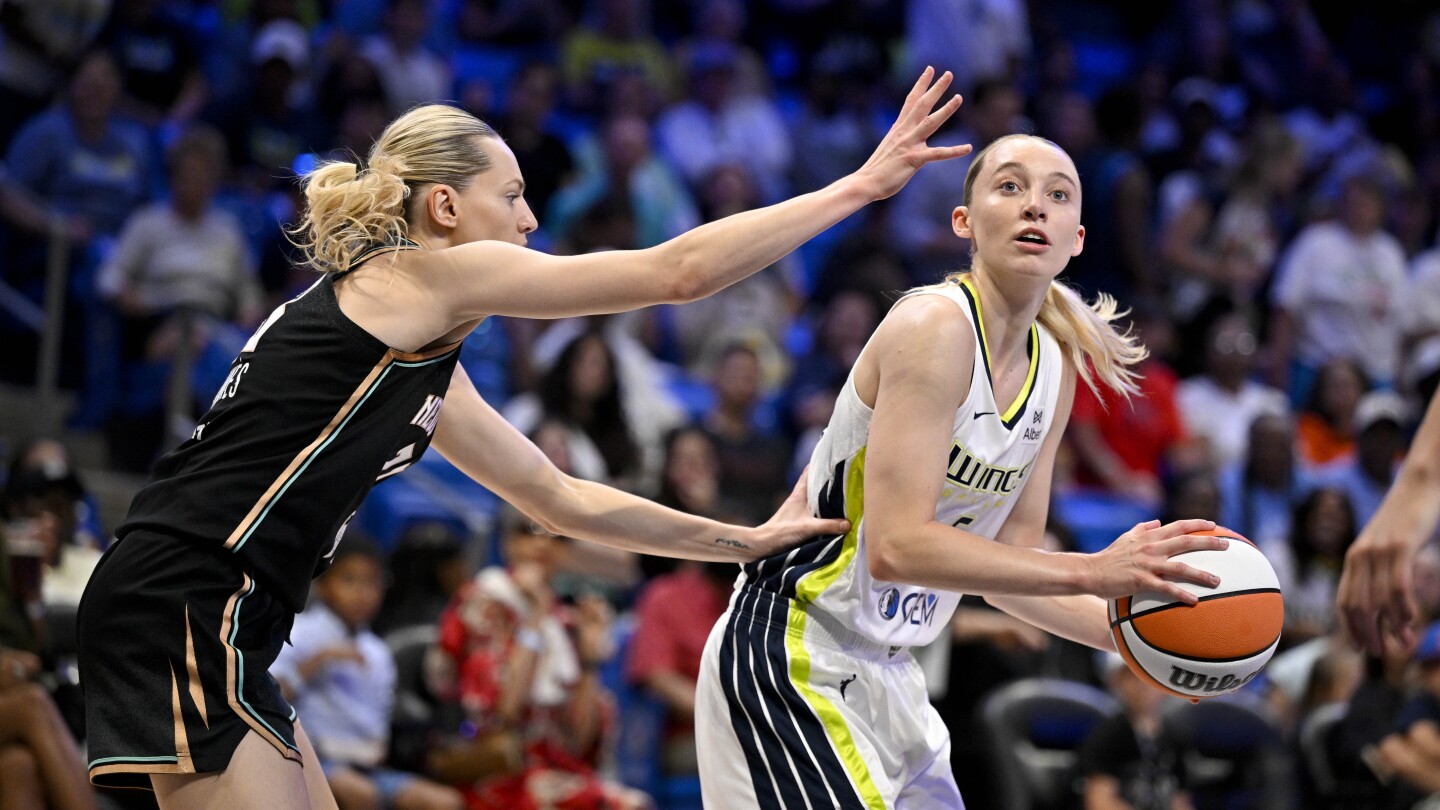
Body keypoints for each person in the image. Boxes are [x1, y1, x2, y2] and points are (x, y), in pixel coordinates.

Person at [76, 68, 969, 809]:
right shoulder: (420, 275)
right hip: (188, 591)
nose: (531, 219)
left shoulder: (413, 346)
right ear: (446, 210)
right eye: (512, 196)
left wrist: (741, 541)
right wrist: (858, 186)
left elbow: (558, 498)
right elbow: (677, 273)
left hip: (233, 614)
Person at [693, 132, 1229, 808]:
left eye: (1057, 194)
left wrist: (1144, 642)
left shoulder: (1055, 370)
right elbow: (896, 547)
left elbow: (1013, 568)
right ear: (964, 222)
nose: (1035, 205)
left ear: (1079, 238)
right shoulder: (934, 329)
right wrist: (1093, 570)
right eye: (1010, 186)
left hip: (890, 673)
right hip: (793, 648)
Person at [271, 537, 465, 810]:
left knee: (446, 802)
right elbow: (268, 695)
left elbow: (380, 717)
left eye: (372, 583)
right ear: (323, 584)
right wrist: (316, 662)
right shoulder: (299, 632)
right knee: (361, 794)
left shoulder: (377, 651)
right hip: (312, 759)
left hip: (367, 764)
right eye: (349, 580)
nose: (362, 593)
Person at [1339, 385, 1440, 655]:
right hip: (1346, 586)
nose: (1382, 444)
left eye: (1390, 435)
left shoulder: (1410, 478)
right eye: (1375, 435)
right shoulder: (1334, 480)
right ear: (1359, 438)